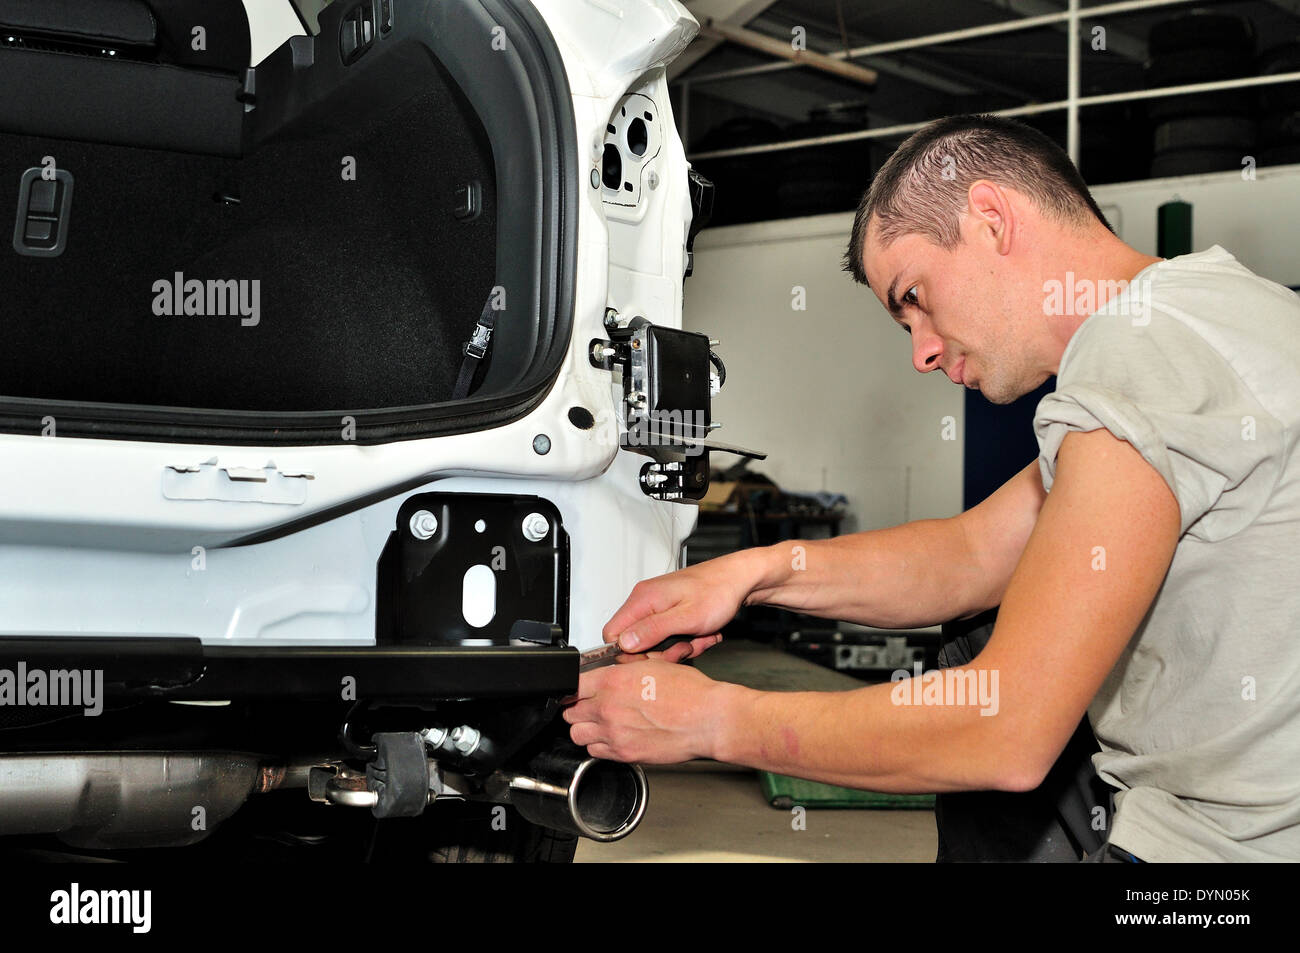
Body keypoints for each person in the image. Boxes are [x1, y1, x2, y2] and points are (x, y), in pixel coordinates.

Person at [562, 114, 1300, 862]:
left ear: (989, 218)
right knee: (979, 630)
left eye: (914, 295)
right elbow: (974, 554)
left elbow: (1006, 728)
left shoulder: (1137, 352)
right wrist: (754, 572)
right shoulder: (1214, 308)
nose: (922, 351)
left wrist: (711, 721)